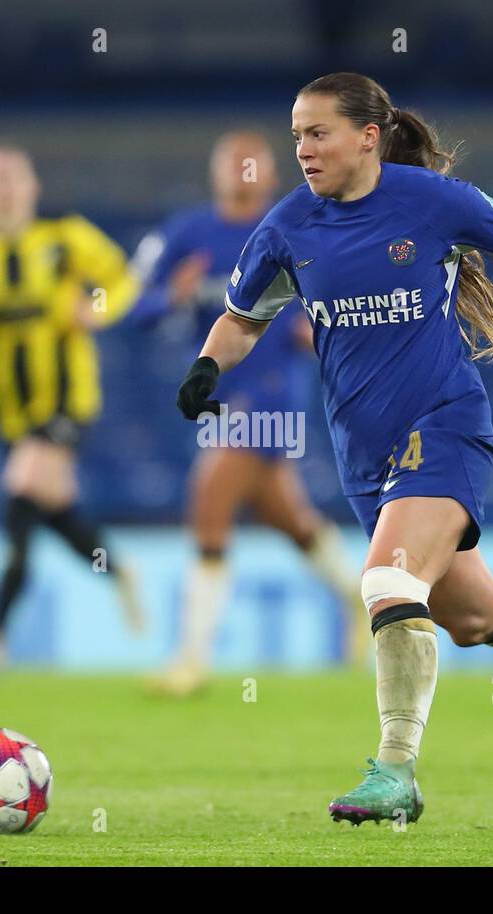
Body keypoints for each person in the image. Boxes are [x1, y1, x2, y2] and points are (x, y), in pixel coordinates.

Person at [176, 72, 493, 825]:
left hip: (446, 423)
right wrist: (206, 366)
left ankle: (397, 771)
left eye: (317, 132)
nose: (302, 148)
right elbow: (242, 318)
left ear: (369, 136)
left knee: (385, 581)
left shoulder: (432, 202)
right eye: (296, 134)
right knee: (474, 618)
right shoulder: (288, 226)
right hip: (365, 456)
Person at [128, 130, 366, 695]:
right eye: (231, 161)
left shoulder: (297, 226)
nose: (242, 171)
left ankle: (191, 660)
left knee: (209, 502)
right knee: (291, 520)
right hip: (217, 392)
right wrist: (172, 298)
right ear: (214, 172)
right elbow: (130, 302)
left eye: (252, 162)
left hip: (271, 393)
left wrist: (325, 323)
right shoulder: (189, 233)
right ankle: (366, 605)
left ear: (272, 172)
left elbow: (350, 286)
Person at [0, 143, 144, 671]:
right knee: (52, 511)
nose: (4, 188)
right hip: (12, 412)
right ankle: (118, 569)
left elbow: (124, 279)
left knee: (21, 492)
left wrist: (93, 308)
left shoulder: (65, 237)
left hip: (69, 399)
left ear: (31, 188)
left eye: (12, 178)